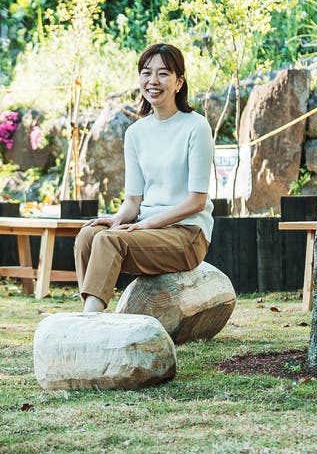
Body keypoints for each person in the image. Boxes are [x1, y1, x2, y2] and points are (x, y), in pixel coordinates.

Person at [73, 43, 215, 312]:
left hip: (187, 234)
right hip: (147, 231)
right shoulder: (136, 132)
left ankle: (89, 321)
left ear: (179, 82)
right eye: (146, 73)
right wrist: (117, 219)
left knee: (108, 239)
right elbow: (133, 201)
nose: (153, 81)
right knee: (89, 235)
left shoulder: (196, 126)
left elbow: (196, 202)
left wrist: (144, 225)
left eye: (163, 74)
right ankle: (91, 313)